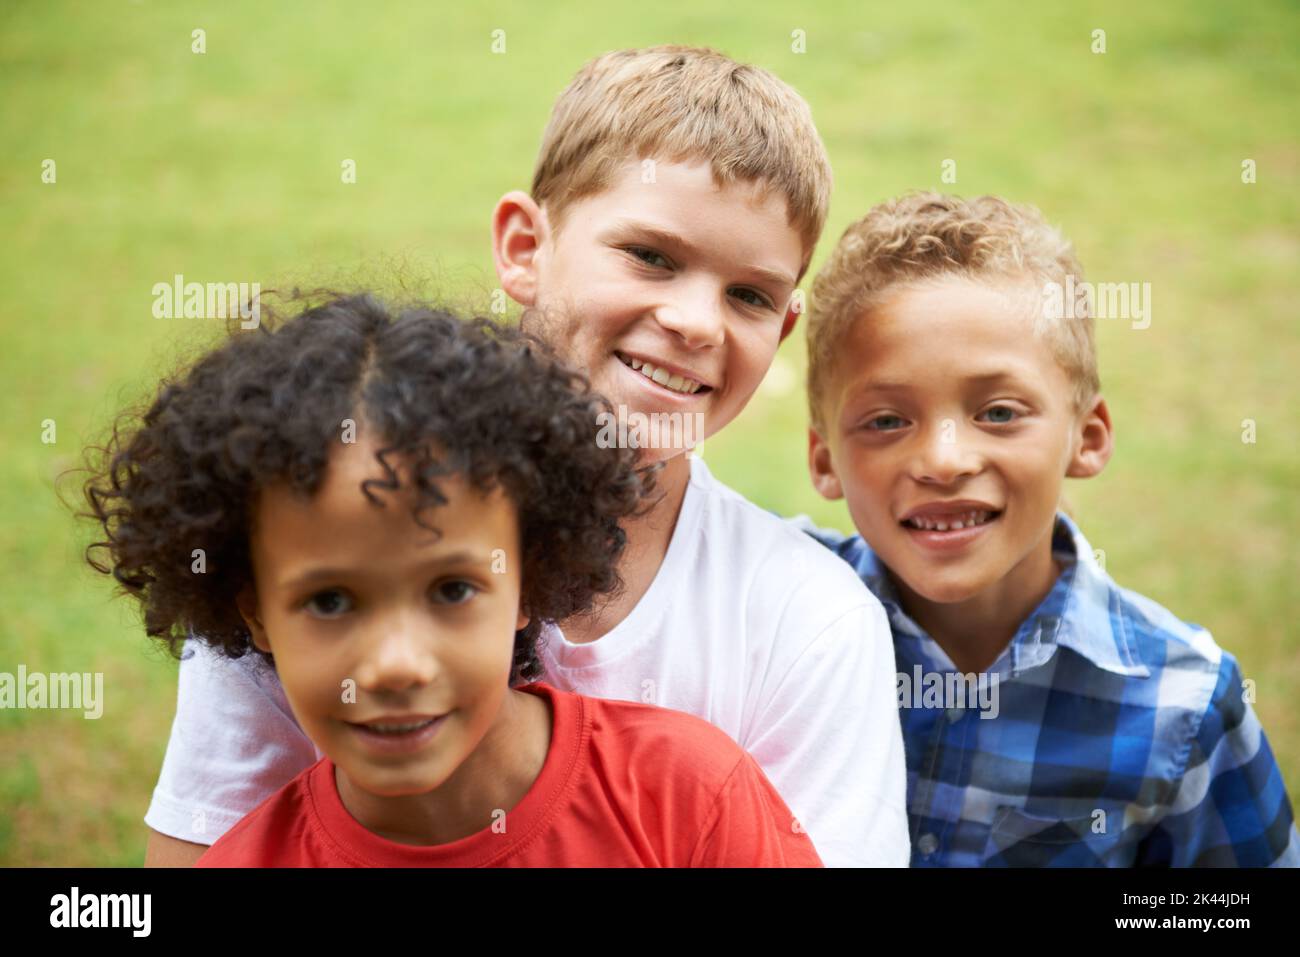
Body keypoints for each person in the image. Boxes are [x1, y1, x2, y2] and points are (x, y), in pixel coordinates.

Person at [141, 45, 908, 868]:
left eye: (749, 295)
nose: (696, 323)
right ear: (522, 249)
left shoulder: (809, 623)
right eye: (651, 255)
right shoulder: (321, 524)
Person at [82, 294, 823, 867]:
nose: (398, 663)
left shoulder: (686, 798)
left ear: (528, 581)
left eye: (451, 590)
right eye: (330, 600)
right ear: (254, 613)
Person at [797, 190, 1300, 866]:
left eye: (999, 412)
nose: (945, 461)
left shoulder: (1182, 706)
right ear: (824, 458)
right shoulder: (771, 616)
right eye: (887, 420)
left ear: (1086, 437)